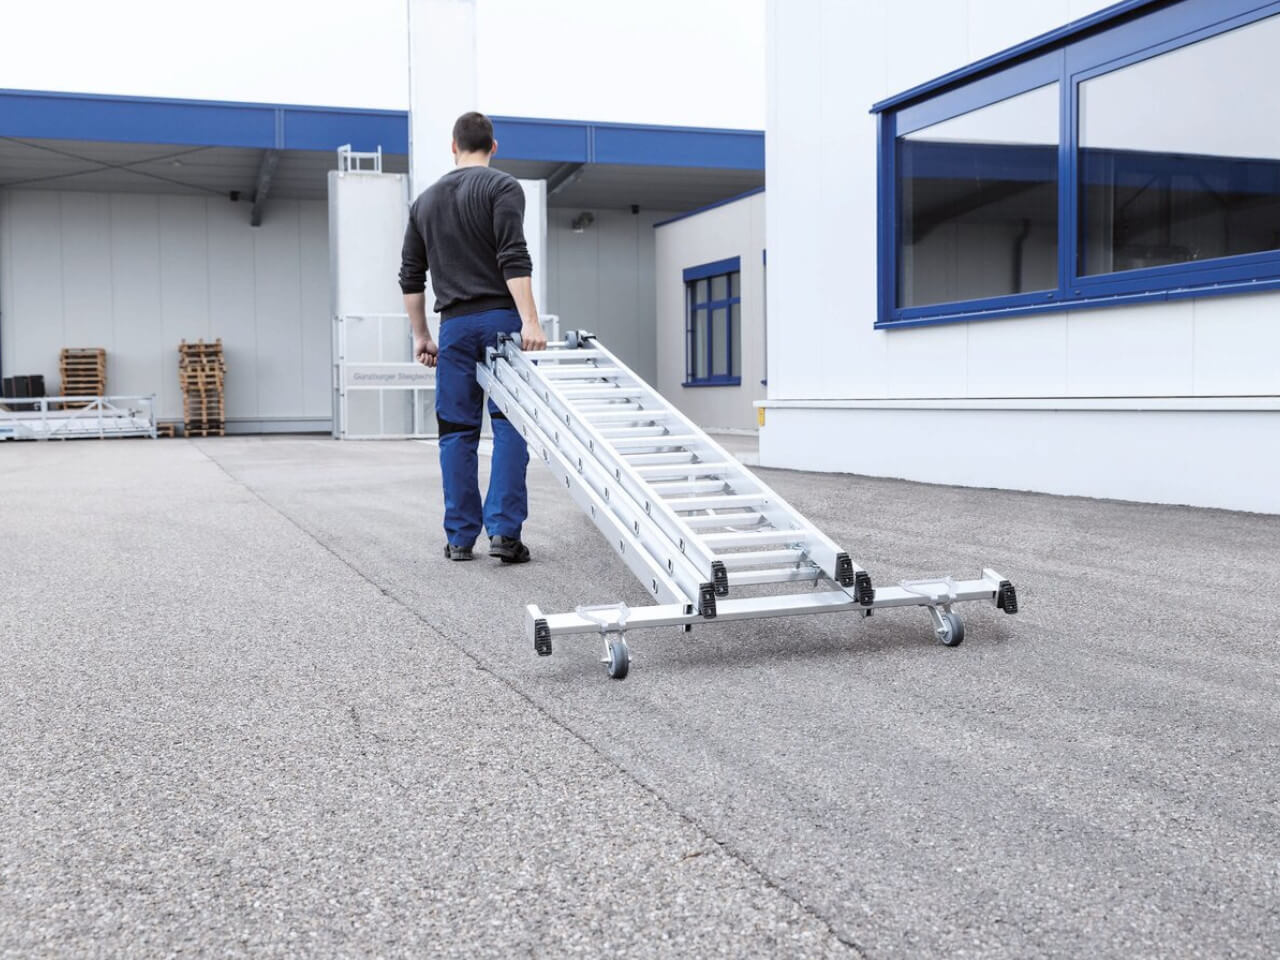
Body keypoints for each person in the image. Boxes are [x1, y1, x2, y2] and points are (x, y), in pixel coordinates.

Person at [398, 110, 547, 563]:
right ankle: (504, 534)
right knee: (509, 427)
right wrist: (531, 323)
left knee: (456, 433)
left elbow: (410, 277)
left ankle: (460, 539)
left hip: (456, 327)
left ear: (453, 145)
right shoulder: (503, 187)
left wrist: (422, 335)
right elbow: (513, 257)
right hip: (501, 320)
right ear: (494, 147)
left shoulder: (423, 202)